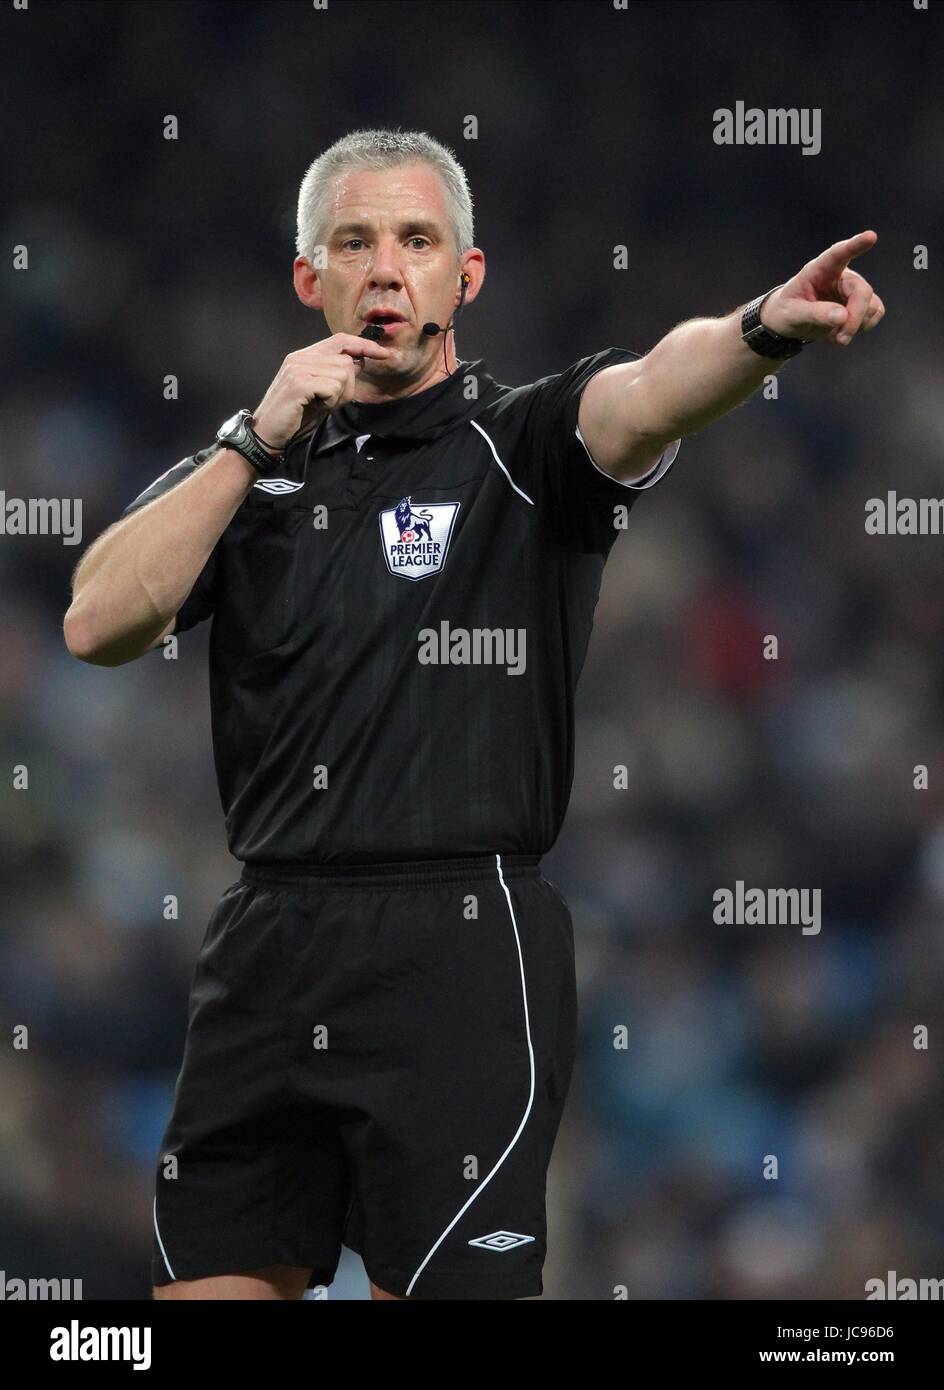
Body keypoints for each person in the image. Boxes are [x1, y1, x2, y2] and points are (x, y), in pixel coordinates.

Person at [63, 127, 884, 1300]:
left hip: (457, 944)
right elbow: (96, 624)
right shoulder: (247, 472)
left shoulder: (524, 442)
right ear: (311, 279)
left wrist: (759, 330)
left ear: (466, 274)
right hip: (266, 944)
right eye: (354, 242)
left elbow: (652, 388)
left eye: (415, 240)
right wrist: (249, 438)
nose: (386, 268)